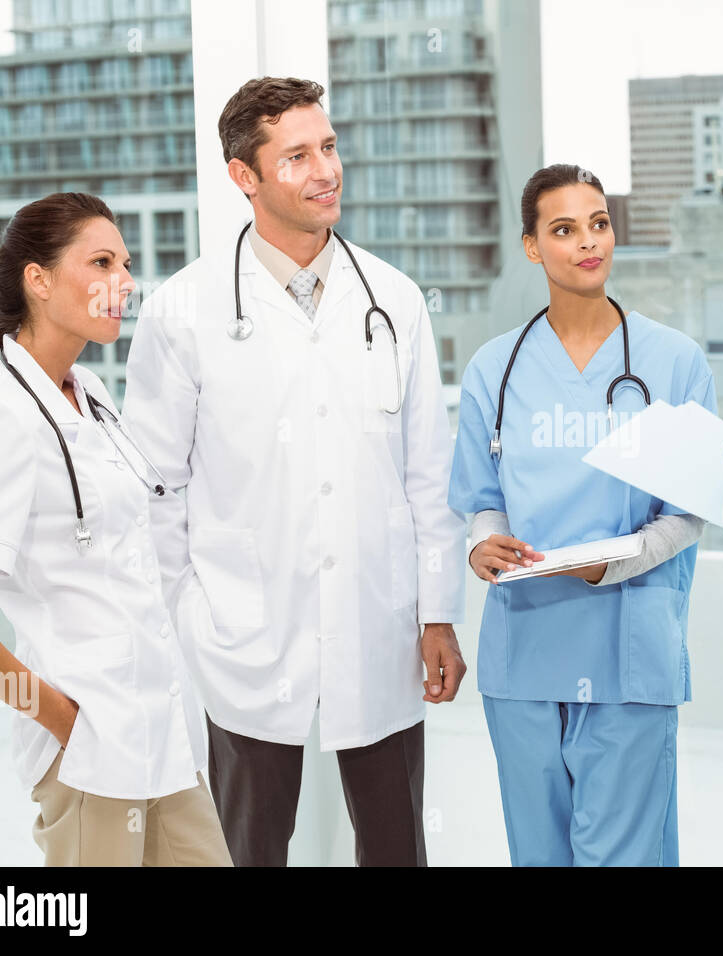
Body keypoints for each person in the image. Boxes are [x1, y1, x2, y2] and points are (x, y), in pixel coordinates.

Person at [121, 77, 466, 867]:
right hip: (244, 635)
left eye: (330, 147)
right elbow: (156, 490)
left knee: (396, 847)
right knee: (247, 850)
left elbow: (427, 477)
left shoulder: (396, 299)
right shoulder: (185, 310)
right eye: (299, 156)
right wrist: (190, 620)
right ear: (245, 176)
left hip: (379, 629)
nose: (326, 171)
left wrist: (437, 613)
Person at [0, 193, 231, 866]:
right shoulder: (4, 415)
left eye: (124, 264)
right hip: (90, 755)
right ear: (37, 280)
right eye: (101, 262)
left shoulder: (88, 388)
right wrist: (58, 718)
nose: (123, 280)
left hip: (160, 735)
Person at [448, 164, 716, 866]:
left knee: (621, 856)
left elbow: (689, 513)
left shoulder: (674, 362)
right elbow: (481, 498)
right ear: (533, 247)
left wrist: (618, 561)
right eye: (563, 229)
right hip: (525, 655)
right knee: (539, 855)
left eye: (599, 223)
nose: (588, 242)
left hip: (628, 649)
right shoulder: (493, 369)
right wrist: (483, 546)